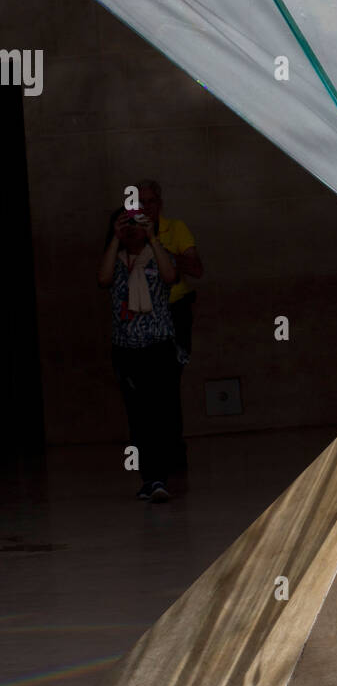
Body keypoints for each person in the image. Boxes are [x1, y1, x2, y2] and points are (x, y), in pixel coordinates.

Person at [98, 205, 181, 501]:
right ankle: (150, 479)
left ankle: (159, 478)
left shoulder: (157, 256)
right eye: (125, 224)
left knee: (160, 414)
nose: (132, 228)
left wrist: (152, 237)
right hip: (126, 350)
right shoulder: (116, 259)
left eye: (137, 223)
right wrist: (115, 239)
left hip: (158, 347)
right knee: (138, 416)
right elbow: (103, 280)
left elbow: (170, 277)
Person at [137, 180, 203, 477]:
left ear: (159, 204)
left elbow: (197, 268)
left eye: (150, 202)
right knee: (147, 387)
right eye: (140, 202)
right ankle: (154, 455)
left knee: (169, 383)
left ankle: (174, 452)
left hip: (174, 312)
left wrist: (162, 250)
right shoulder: (129, 233)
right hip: (143, 316)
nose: (145, 207)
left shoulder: (175, 229)